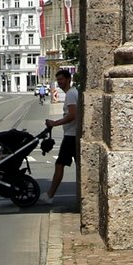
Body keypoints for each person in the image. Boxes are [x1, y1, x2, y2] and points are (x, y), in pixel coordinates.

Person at [45, 65, 80, 202]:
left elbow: (72, 115)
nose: (59, 82)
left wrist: (54, 123)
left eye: (62, 79)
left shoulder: (71, 94)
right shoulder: (72, 93)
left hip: (71, 136)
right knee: (79, 165)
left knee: (59, 164)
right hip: (73, 134)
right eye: (58, 80)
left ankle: (50, 195)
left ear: (69, 79)